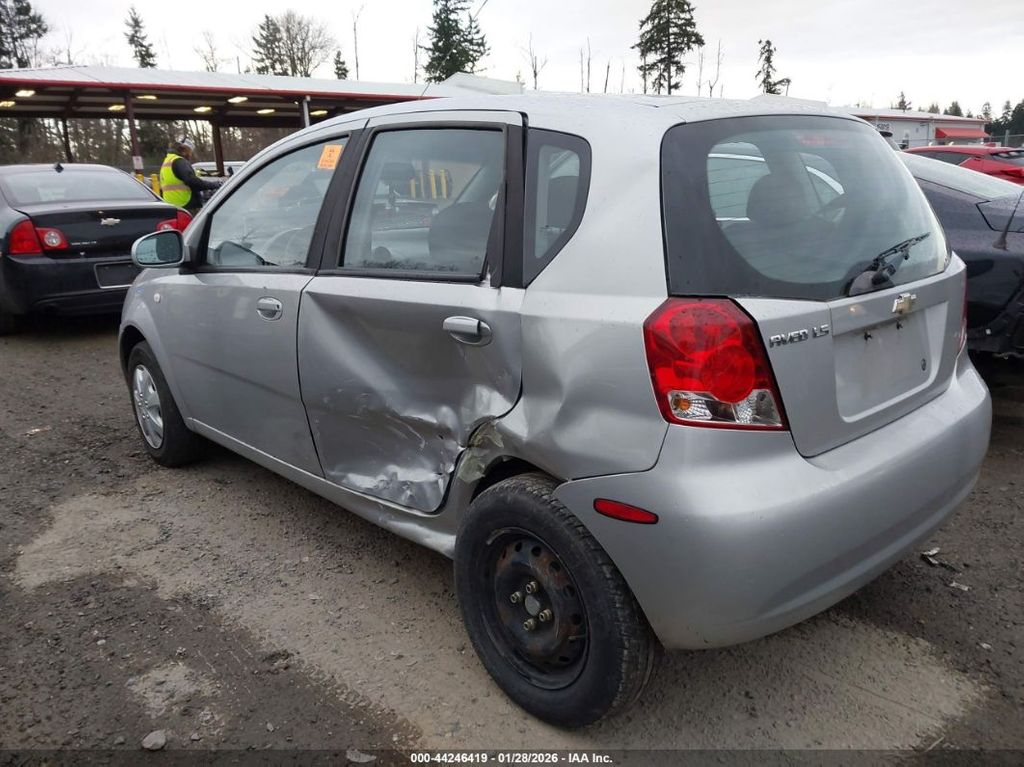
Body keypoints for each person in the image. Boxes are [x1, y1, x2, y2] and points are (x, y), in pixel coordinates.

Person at [159, 137, 220, 212]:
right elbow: (192, 181)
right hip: (186, 205)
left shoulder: (168, 161)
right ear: (185, 150)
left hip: (172, 206)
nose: (190, 155)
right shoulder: (179, 161)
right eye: (190, 151)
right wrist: (214, 185)